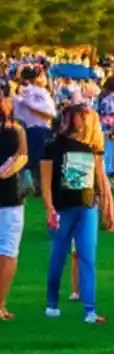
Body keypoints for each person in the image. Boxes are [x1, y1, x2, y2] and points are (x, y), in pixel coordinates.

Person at [41, 97, 114, 324]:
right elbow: (45, 183)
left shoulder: (88, 150)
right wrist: (49, 207)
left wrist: (103, 203)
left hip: (86, 207)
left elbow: (94, 181)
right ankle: (52, 303)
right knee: (58, 255)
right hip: (64, 208)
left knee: (87, 257)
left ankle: (90, 310)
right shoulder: (51, 148)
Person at [0, 80, 27, 321]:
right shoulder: (16, 129)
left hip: (10, 196)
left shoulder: (16, 130)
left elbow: (22, 156)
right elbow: (23, 156)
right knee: (8, 251)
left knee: (7, 251)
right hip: (9, 198)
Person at [14, 66, 55, 195]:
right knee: (38, 159)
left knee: (32, 159)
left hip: (33, 128)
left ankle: (34, 185)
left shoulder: (29, 93)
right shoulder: (37, 92)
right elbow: (50, 111)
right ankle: (37, 186)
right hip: (39, 128)